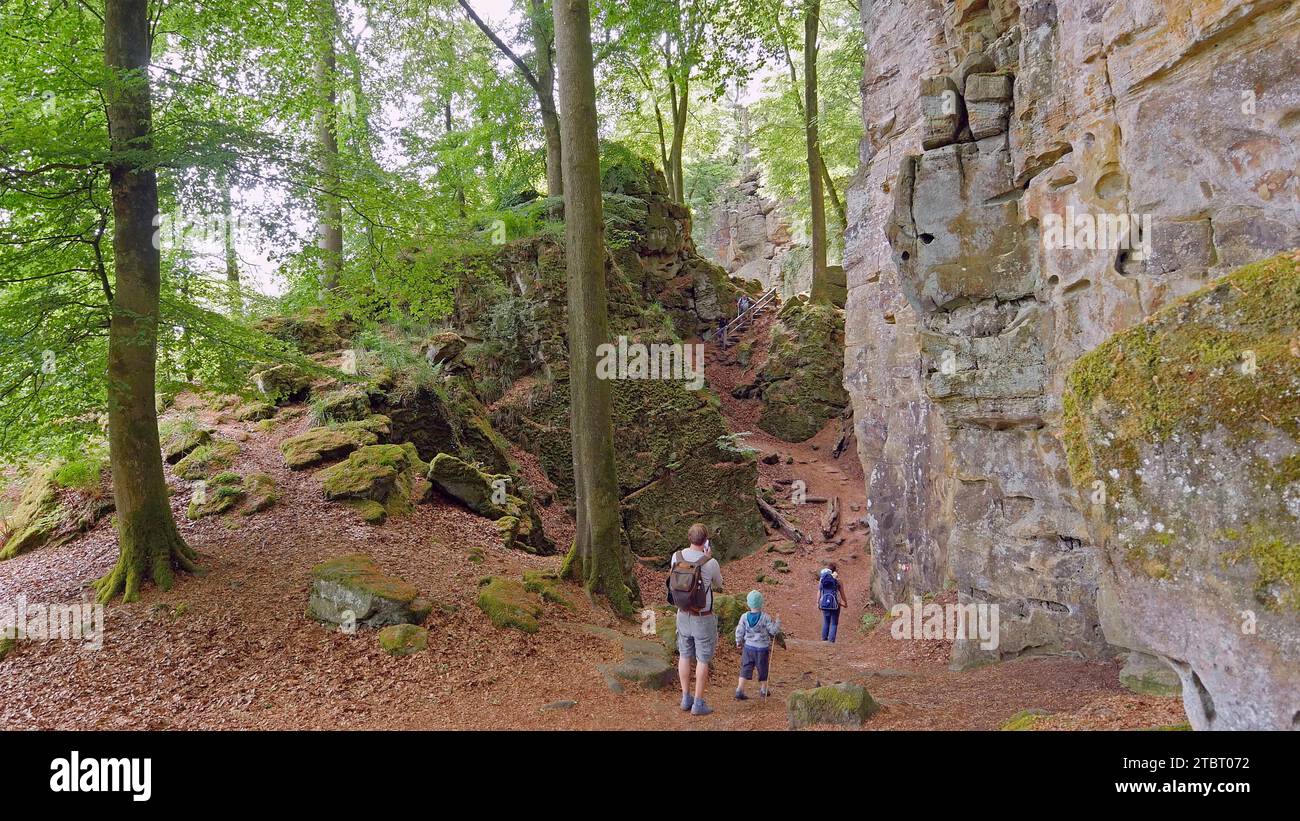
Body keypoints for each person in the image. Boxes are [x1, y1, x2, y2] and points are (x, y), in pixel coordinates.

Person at [666, 523, 724, 716]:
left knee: (684, 655)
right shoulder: (710, 563)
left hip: (682, 614)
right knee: (702, 659)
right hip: (703, 616)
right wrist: (708, 557)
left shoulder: (676, 557)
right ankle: (698, 703)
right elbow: (719, 584)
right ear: (705, 540)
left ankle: (685, 698)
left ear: (689, 538)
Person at [734, 590, 781, 700]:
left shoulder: (744, 617)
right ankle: (764, 689)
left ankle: (739, 689)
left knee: (745, 667)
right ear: (761, 603)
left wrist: (738, 641)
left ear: (748, 603)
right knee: (763, 668)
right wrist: (778, 621)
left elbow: (739, 630)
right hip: (762, 649)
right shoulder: (765, 617)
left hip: (748, 648)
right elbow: (773, 631)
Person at [817, 564, 847, 643]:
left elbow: (819, 592)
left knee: (826, 621)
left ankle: (824, 639)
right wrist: (845, 602)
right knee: (834, 623)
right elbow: (842, 594)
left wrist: (818, 603)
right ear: (835, 571)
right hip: (835, 604)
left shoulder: (822, 580)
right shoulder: (838, 581)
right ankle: (831, 641)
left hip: (824, 604)